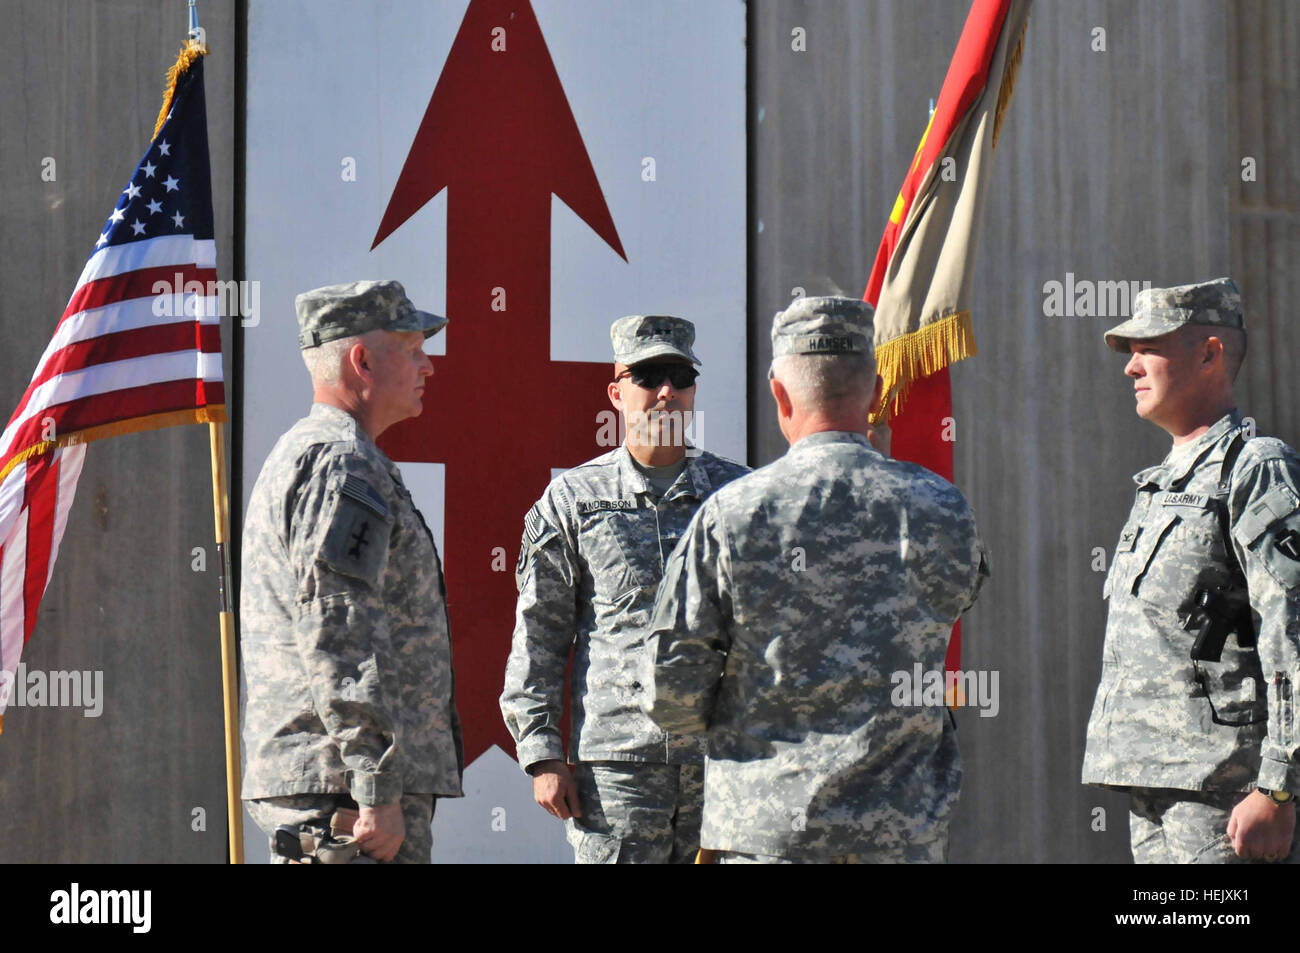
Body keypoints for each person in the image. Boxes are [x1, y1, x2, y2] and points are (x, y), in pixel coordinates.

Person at [643, 296, 989, 863]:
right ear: (876, 392)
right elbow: (956, 601)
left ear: (779, 393)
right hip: (899, 835)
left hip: (769, 834)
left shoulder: (732, 514)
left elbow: (672, 689)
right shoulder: (942, 507)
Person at [499, 314, 749, 863]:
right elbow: (540, 633)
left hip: (724, 766)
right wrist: (542, 753)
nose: (666, 392)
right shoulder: (573, 500)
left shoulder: (739, 496)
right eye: (648, 375)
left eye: (680, 377)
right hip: (617, 770)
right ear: (616, 392)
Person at [241, 280, 463, 864]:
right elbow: (338, 627)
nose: (429, 365)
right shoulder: (342, 463)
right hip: (343, 794)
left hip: (333, 783)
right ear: (362, 360)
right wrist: (373, 781)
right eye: (412, 348)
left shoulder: (320, 454)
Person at [1082, 277, 1300, 863]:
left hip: (1224, 794)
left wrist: (1278, 784)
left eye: (1148, 348)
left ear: (1210, 354)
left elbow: (1291, 632)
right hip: (1151, 784)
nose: (1131, 368)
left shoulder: (1253, 467)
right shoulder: (1162, 484)